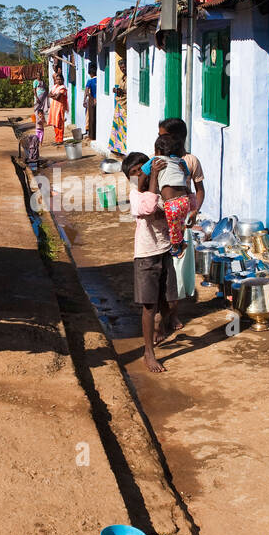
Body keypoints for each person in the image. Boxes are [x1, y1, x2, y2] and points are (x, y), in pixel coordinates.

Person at [123, 151, 177, 373]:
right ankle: (148, 352)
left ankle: (161, 327)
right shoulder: (136, 195)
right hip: (146, 255)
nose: (140, 176)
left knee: (171, 302)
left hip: (165, 251)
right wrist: (152, 176)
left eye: (142, 169)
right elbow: (149, 207)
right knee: (149, 305)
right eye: (134, 174)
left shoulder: (162, 188)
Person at [157, 118, 205, 309]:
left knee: (178, 268)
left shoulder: (190, 161)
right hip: (162, 219)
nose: (159, 139)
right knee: (163, 267)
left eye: (162, 136)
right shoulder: (159, 159)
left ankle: (173, 312)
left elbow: (199, 189)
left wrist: (195, 211)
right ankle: (163, 312)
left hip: (182, 220)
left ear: (175, 138)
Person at [147, 133, 192, 256]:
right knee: (179, 224)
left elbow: (143, 171)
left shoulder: (156, 161)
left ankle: (175, 247)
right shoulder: (180, 161)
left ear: (158, 150)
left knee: (172, 227)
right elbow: (187, 175)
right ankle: (181, 242)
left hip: (172, 204)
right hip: (184, 201)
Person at [48, 73, 68, 144]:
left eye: (60, 79)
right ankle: (57, 139)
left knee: (59, 123)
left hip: (60, 107)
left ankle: (60, 139)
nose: (58, 81)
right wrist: (54, 95)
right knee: (54, 123)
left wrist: (52, 96)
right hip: (53, 107)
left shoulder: (63, 88)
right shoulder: (54, 87)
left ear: (62, 80)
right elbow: (49, 94)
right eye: (57, 79)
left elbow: (57, 97)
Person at [84, 65, 98, 141]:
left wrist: (84, 100)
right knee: (96, 117)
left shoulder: (90, 81)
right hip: (99, 100)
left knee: (91, 118)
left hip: (92, 100)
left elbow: (86, 91)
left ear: (90, 74)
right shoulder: (99, 80)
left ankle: (91, 136)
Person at [32, 79, 48, 144]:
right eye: (38, 75)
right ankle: (37, 142)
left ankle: (40, 142)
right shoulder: (35, 82)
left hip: (43, 99)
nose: (40, 76)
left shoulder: (43, 81)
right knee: (37, 111)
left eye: (41, 75)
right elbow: (34, 90)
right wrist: (37, 98)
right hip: (38, 99)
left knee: (41, 135)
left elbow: (46, 88)